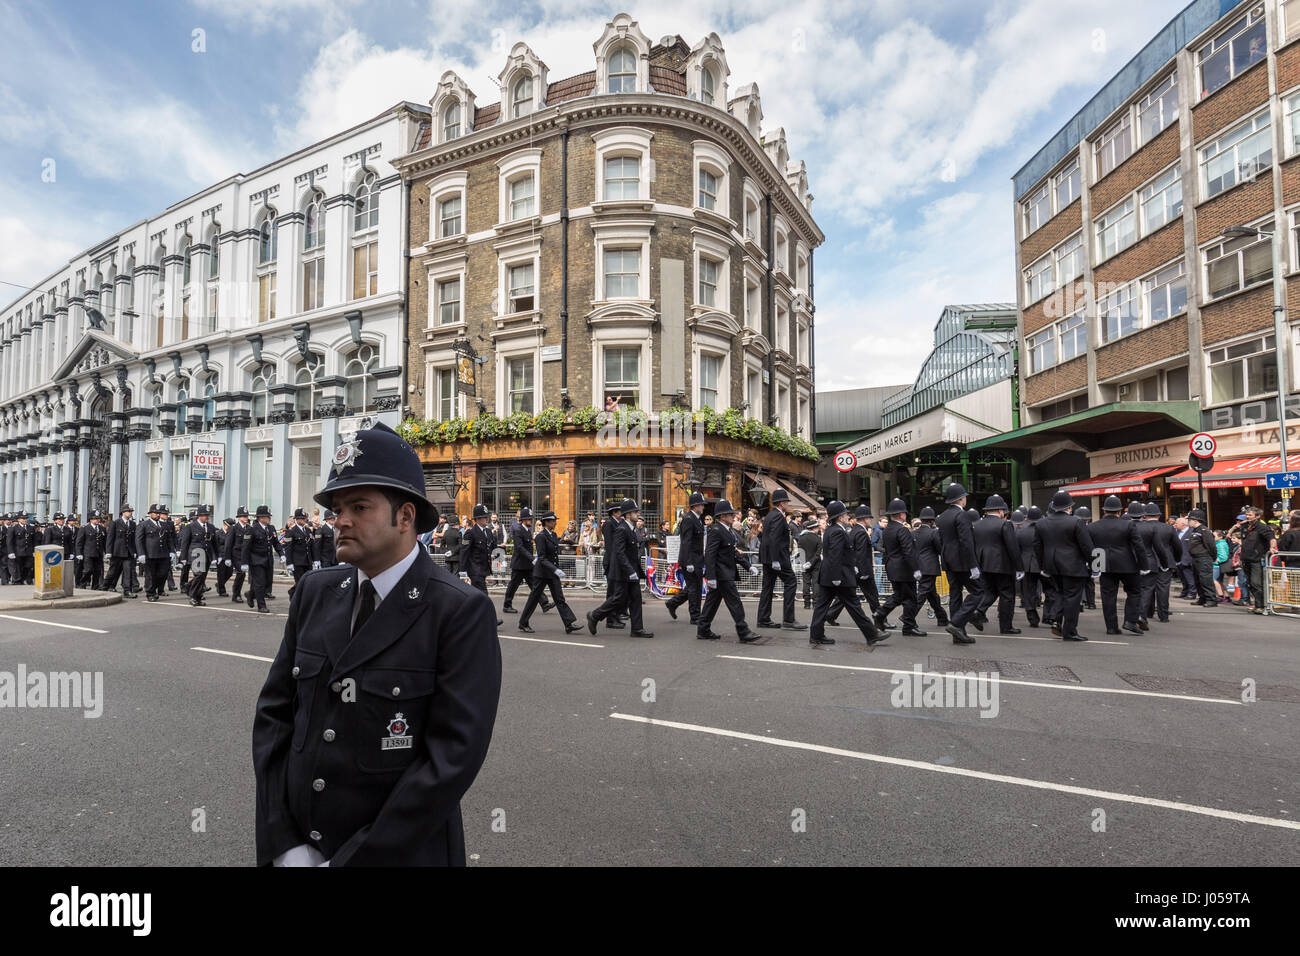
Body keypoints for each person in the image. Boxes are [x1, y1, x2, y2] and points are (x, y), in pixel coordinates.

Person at [252, 420, 502, 867]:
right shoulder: (314, 591)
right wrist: (284, 843)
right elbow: (274, 719)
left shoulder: (458, 611)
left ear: (405, 516)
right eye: (336, 509)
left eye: (359, 506)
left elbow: (449, 761)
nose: (340, 520)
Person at [808, 500, 885, 648]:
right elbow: (836, 555)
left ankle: (816, 635)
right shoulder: (837, 531)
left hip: (831, 575)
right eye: (844, 514)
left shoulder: (833, 529)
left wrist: (852, 566)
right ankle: (872, 634)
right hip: (839, 576)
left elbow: (840, 554)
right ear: (839, 517)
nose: (846, 516)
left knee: (822, 606)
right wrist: (837, 576)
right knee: (854, 605)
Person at [693, 498, 757, 642]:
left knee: (712, 603)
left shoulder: (726, 530)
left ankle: (703, 630)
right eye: (729, 514)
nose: (733, 516)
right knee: (735, 603)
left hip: (724, 573)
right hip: (721, 574)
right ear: (722, 516)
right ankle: (743, 631)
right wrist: (710, 577)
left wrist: (748, 566)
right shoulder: (716, 530)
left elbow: (733, 552)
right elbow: (710, 554)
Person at [1033, 491, 1094, 641]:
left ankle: (1056, 621)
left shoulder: (1041, 523)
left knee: (1059, 594)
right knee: (1072, 598)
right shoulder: (1077, 522)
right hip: (1073, 566)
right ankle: (1070, 631)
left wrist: (1042, 566)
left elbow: (1037, 546)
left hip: (1052, 566)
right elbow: (1087, 547)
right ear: (1070, 507)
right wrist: (1095, 566)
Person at [587, 498, 653, 638]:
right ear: (628, 514)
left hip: (631, 571)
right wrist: (630, 571)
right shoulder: (622, 529)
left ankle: (637, 629)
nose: (638, 514)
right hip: (623, 572)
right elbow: (619, 553)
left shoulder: (629, 528)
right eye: (635, 511)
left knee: (635, 599)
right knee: (618, 598)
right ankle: (594, 615)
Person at [1089, 496, 1149, 636]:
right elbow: (1139, 546)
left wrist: (1094, 566)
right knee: (1134, 592)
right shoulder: (1128, 525)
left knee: (1108, 596)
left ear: (1104, 511)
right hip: (1127, 563)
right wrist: (1144, 565)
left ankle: (1111, 627)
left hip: (1104, 563)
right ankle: (1130, 621)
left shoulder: (1093, 526)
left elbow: (1089, 548)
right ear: (1120, 511)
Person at [518, 511, 583, 634]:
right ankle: (523, 622)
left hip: (551, 573)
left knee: (559, 598)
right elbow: (542, 558)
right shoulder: (540, 537)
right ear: (546, 523)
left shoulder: (553, 535)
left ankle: (568, 623)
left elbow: (554, 554)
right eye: (553, 521)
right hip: (542, 573)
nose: (555, 522)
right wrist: (555, 569)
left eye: (555, 520)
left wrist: (555, 569)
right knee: (534, 598)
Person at [970, 495, 1024, 635]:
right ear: (1000, 510)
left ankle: (978, 611)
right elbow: (1012, 547)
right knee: (1007, 595)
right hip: (1002, 565)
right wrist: (1019, 567)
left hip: (983, 564)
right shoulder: (1005, 524)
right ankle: (1006, 626)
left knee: (991, 591)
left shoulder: (977, 524)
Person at [937, 483, 982, 643]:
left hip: (948, 560)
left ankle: (958, 633)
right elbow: (966, 542)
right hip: (962, 561)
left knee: (955, 595)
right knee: (978, 591)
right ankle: (957, 623)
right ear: (961, 499)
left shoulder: (942, 517)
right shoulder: (962, 516)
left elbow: (941, 540)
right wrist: (973, 565)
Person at [756, 488, 805, 630]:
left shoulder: (770, 515)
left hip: (768, 557)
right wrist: (775, 559)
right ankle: (789, 620)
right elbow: (774, 538)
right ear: (782, 503)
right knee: (791, 582)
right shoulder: (778, 516)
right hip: (777, 557)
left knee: (767, 587)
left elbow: (767, 537)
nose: (788, 504)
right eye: (786, 502)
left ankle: (763, 618)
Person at [875, 499, 924, 636]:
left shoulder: (887, 529)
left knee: (899, 595)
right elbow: (908, 551)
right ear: (902, 514)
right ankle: (907, 626)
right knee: (910, 598)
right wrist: (916, 569)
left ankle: (881, 614)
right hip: (903, 568)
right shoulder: (902, 529)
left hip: (892, 567)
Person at [666, 492, 706, 625]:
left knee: (693, 587)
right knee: (694, 589)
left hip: (697, 559)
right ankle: (695, 616)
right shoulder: (689, 519)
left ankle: (673, 603)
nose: (703, 507)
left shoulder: (696, 519)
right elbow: (686, 542)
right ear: (695, 506)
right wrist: (688, 562)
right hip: (690, 559)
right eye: (701, 505)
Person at [502, 508, 551, 615]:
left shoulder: (527, 531)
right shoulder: (518, 530)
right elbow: (520, 548)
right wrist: (532, 558)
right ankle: (507, 605)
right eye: (529, 519)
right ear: (524, 520)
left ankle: (544, 603)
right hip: (519, 564)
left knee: (535, 584)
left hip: (527, 565)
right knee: (513, 586)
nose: (531, 521)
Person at [241, 505, 285, 613]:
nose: (269, 518)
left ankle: (251, 594)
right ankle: (261, 606)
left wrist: (282, 554)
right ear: (260, 518)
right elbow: (246, 547)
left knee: (267, 583)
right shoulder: (252, 529)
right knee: (260, 583)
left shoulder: (271, 528)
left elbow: (276, 543)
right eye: (267, 517)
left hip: (268, 560)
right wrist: (244, 562)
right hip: (256, 560)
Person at [1236, 506, 1277, 614]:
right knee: (1249, 583)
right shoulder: (1245, 526)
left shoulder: (1262, 527)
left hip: (1257, 559)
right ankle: (1257, 604)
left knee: (1256, 583)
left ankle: (1261, 606)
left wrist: (1272, 547)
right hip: (1246, 559)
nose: (1247, 517)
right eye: (1247, 514)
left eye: (1250, 515)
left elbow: (1271, 537)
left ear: (1257, 516)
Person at [912, 506, 948, 626]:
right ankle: (908, 616)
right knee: (922, 594)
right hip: (930, 566)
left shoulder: (914, 533)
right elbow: (939, 549)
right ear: (932, 521)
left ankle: (942, 618)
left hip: (919, 565)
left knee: (932, 595)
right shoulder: (933, 532)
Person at [179, 505, 218, 607]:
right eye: (205, 515)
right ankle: (192, 596)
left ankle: (197, 595)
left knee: (202, 577)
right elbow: (185, 543)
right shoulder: (190, 527)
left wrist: (216, 556)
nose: (207, 517)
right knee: (199, 575)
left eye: (208, 515)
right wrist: (183, 558)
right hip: (195, 554)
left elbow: (214, 543)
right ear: (199, 515)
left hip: (207, 555)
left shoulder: (211, 527)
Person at [1014, 508, 1044, 627]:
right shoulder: (1044, 531)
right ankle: (1049, 615)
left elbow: (1017, 550)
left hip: (1026, 564)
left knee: (1028, 592)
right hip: (1042, 564)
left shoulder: (1020, 532)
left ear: (1027, 518)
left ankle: (1032, 617)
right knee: (1050, 590)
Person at [599, 503, 627, 629]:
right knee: (612, 592)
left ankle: (615, 616)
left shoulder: (618, 523)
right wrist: (614, 562)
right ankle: (610, 620)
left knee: (617, 592)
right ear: (615, 512)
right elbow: (610, 545)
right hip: (611, 561)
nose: (622, 513)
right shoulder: (609, 524)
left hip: (615, 561)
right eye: (620, 511)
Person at [134, 505, 170, 601]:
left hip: (163, 554)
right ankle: (150, 593)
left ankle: (154, 589)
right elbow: (139, 540)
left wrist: (172, 551)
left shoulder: (164, 525)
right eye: (155, 513)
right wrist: (141, 553)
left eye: (159, 513)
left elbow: (168, 539)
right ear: (150, 514)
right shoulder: (144, 524)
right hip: (150, 554)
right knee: (150, 575)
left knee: (162, 573)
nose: (158, 515)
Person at [1185, 509, 1218, 608]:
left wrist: (1213, 557)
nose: (1188, 521)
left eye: (1189, 519)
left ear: (1196, 520)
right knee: (1198, 580)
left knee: (1205, 579)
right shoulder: (1195, 530)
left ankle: (1211, 599)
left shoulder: (1204, 530)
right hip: (1196, 559)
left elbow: (1211, 546)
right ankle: (1202, 598)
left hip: (1203, 558)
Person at [76, 511, 107, 591]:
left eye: (98, 518)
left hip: (98, 553)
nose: (97, 520)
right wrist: (79, 553)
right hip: (88, 553)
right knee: (88, 570)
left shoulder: (102, 528)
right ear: (90, 519)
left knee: (97, 571)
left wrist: (106, 552)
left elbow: (104, 542)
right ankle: (82, 583)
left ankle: (95, 586)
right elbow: (79, 542)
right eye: (95, 519)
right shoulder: (84, 528)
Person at [285, 508, 315, 585]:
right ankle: (294, 596)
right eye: (301, 518)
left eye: (304, 518)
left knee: (308, 582)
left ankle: (301, 596)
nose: (303, 520)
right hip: (298, 562)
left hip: (308, 561)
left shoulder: (308, 530)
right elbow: (288, 548)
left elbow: (311, 546)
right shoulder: (291, 531)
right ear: (296, 519)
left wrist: (315, 559)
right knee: (300, 583)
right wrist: (289, 562)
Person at [798, 516, 823, 611]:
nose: (818, 529)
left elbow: (800, 551)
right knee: (816, 583)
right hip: (816, 564)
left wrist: (804, 562)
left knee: (806, 583)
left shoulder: (802, 537)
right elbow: (818, 553)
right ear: (814, 528)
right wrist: (811, 562)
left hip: (804, 563)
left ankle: (806, 603)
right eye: (817, 528)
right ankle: (815, 603)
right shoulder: (817, 538)